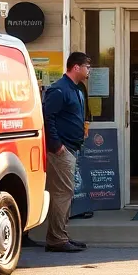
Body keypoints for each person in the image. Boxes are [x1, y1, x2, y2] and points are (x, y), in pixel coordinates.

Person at [43, 52, 91, 252]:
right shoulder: (59, 90)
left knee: (65, 192)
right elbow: (48, 118)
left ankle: (61, 235)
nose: (90, 70)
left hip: (72, 148)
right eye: (87, 66)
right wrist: (57, 146)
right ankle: (57, 239)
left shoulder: (77, 89)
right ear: (76, 67)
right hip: (62, 151)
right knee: (62, 193)